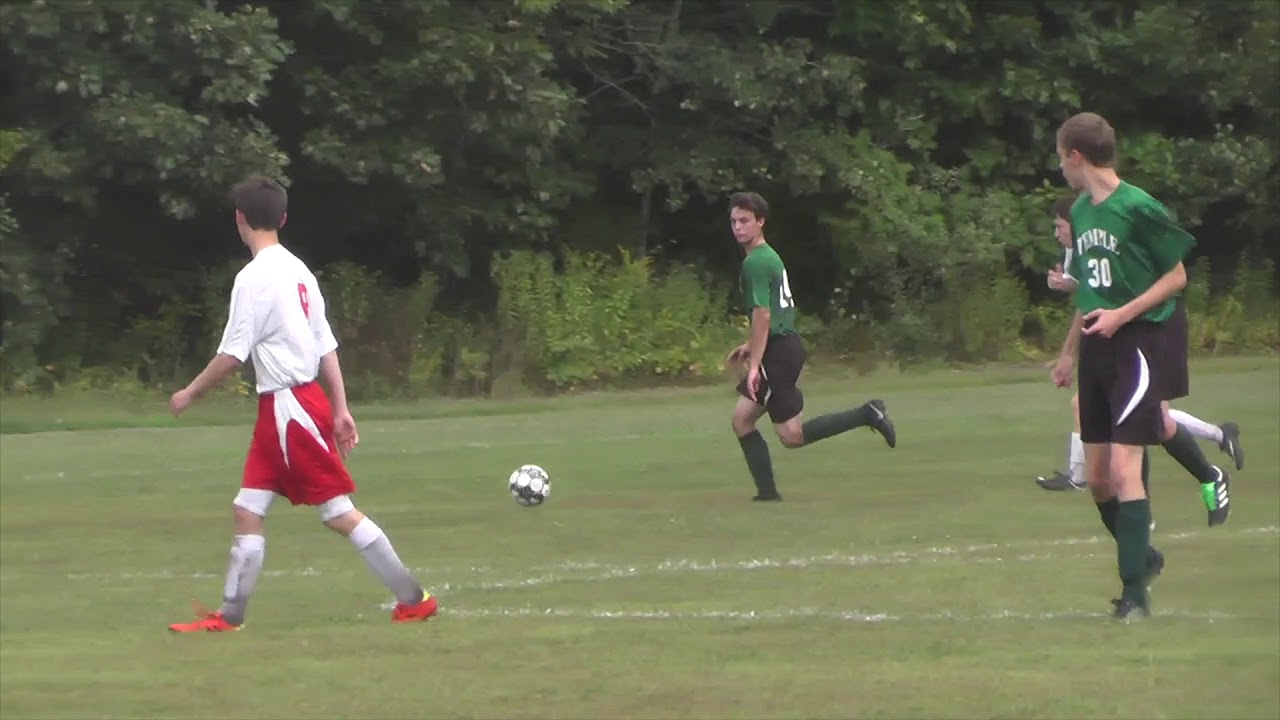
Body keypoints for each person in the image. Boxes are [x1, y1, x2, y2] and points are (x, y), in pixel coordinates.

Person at [166, 175, 437, 632]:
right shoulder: (299, 270)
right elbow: (325, 345)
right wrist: (341, 407)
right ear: (284, 218)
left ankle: (414, 598)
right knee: (247, 509)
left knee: (336, 511)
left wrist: (189, 393)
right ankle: (229, 617)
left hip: (290, 407)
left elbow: (233, 355)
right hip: (288, 406)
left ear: (239, 219)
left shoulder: (253, 278)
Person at [1051, 112, 1231, 620]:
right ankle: (1143, 557)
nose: (1060, 167)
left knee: (1128, 469)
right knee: (1099, 479)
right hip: (1099, 345)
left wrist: (1123, 314)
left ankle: (1134, 596)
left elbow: (1175, 276)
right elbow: (1089, 294)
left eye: (1060, 156)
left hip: (1141, 345)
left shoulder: (1138, 206)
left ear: (1076, 156)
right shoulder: (1083, 211)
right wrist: (1069, 351)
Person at [1037, 194, 1245, 494]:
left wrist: (1069, 352)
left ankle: (1199, 474)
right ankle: (1214, 448)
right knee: (1142, 416)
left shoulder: (1109, 235)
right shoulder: (1080, 250)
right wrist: (1068, 351)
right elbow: (1088, 301)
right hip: (1127, 332)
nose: (1056, 234)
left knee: (1139, 417)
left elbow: (1120, 294)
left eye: (1059, 226)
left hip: (1154, 328)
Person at [725, 191, 896, 502]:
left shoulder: (756, 263)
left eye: (745, 221)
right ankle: (767, 494)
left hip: (778, 353)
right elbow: (775, 315)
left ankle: (866, 414)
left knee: (788, 435)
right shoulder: (766, 257)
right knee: (746, 422)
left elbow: (763, 315)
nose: (738, 227)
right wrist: (750, 344)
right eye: (734, 221)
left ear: (761, 222)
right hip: (782, 348)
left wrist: (754, 366)